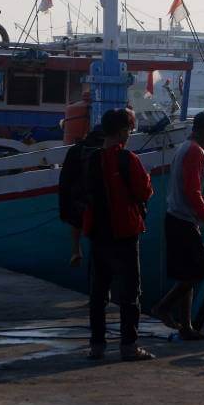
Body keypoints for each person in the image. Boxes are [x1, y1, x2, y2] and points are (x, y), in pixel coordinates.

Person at [83, 108, 155, 362]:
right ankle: (129, 346)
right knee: (130, 292)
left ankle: (97, 345)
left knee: (98, 292)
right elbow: (144, 192)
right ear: (123, 131)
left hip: (98, 232)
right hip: (125, 231)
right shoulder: (128, 159)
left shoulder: (92, 159)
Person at [152, 112, 204, 338]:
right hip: (183, 220)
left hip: (179, 218)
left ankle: (186, 326)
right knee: (198, 272)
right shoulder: (195, 151)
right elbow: (193, 192)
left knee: (187, 274)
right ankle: (163, 307)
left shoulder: (185, 148)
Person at [58, 124, 104, 267]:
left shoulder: (76, 150)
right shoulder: (105, 150)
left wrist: (63, 210)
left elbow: (64, 182)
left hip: (78, 199)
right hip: (99, 202)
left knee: (76, 221)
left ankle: (76, 249)